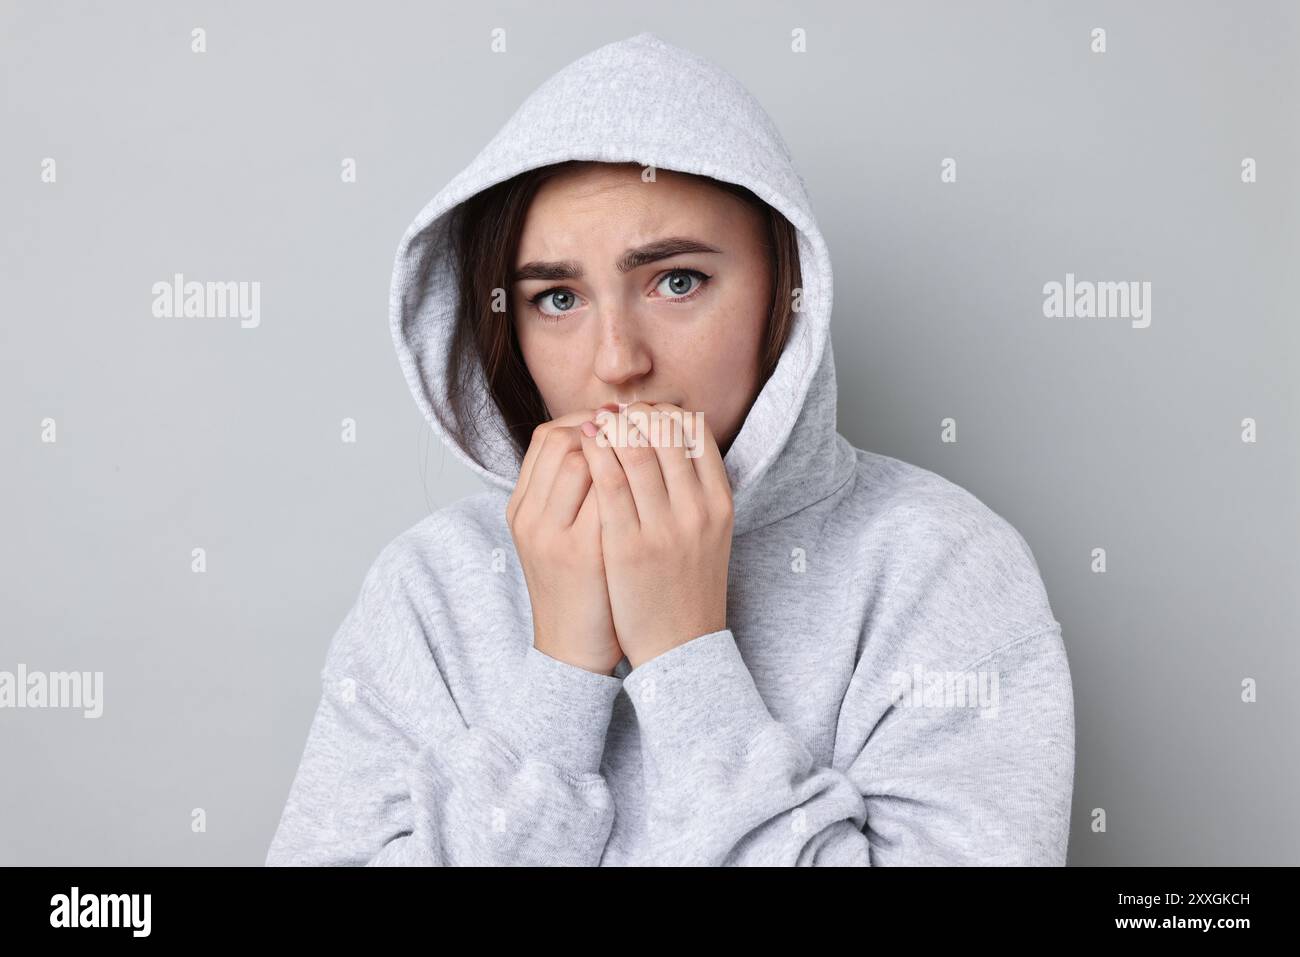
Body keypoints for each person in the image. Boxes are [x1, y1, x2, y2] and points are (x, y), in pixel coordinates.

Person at [265, 31, 1075, 866]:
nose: (617, 360)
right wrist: (561, 676)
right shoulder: (429, 589)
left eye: (676, 280)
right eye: (555, 297)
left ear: (786, 296)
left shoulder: (943, 570)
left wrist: (686, 657)